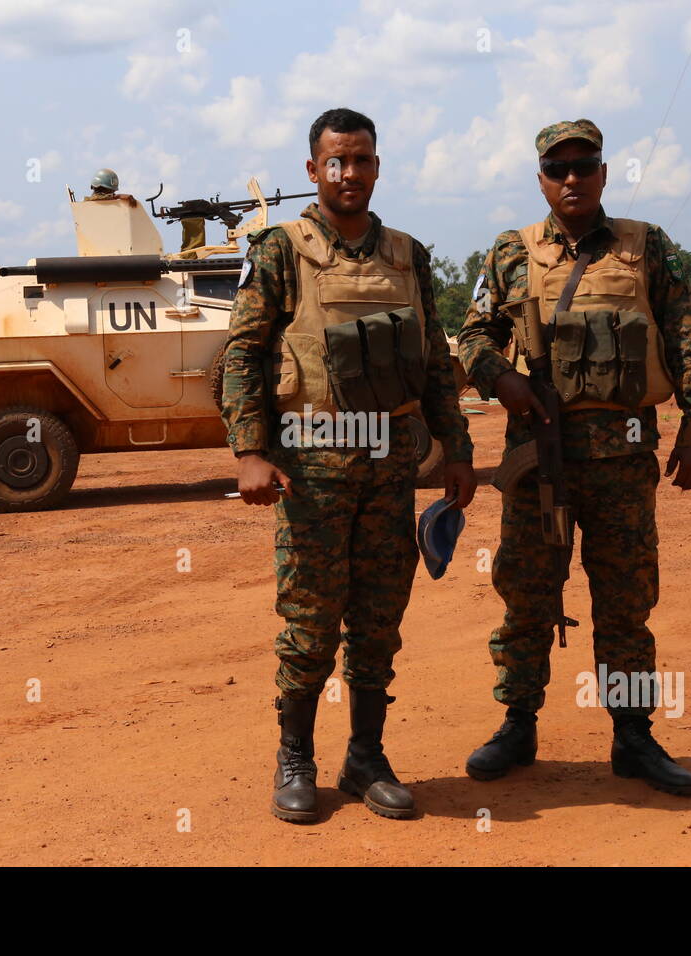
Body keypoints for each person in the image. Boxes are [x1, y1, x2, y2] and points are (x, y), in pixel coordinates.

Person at [220, 107, 477, 822]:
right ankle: (295, 760)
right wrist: (249, 451)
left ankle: (366, 757)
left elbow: (434, 361)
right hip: (311, 470)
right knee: (310, 619)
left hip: (389, 469)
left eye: (362, 159)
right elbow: (241, 354)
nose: (350, 172)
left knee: (378, 620)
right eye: (336, 161)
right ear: (313, 170)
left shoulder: (407, 255)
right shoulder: (280, 250)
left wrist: (457, 450)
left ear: (377, 166)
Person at [456, 118, 691, 796]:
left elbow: (684, 335)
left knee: (626, 601)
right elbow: (474, 335)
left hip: (623, 459)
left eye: (584, 166)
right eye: (557, 169)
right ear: (541, 179)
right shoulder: (511, 251)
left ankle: (633, 735)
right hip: (536, 456)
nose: (571, 178)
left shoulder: (645, 245)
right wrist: (502, 379)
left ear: (603, 174)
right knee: (526, 593)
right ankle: (518, 724)